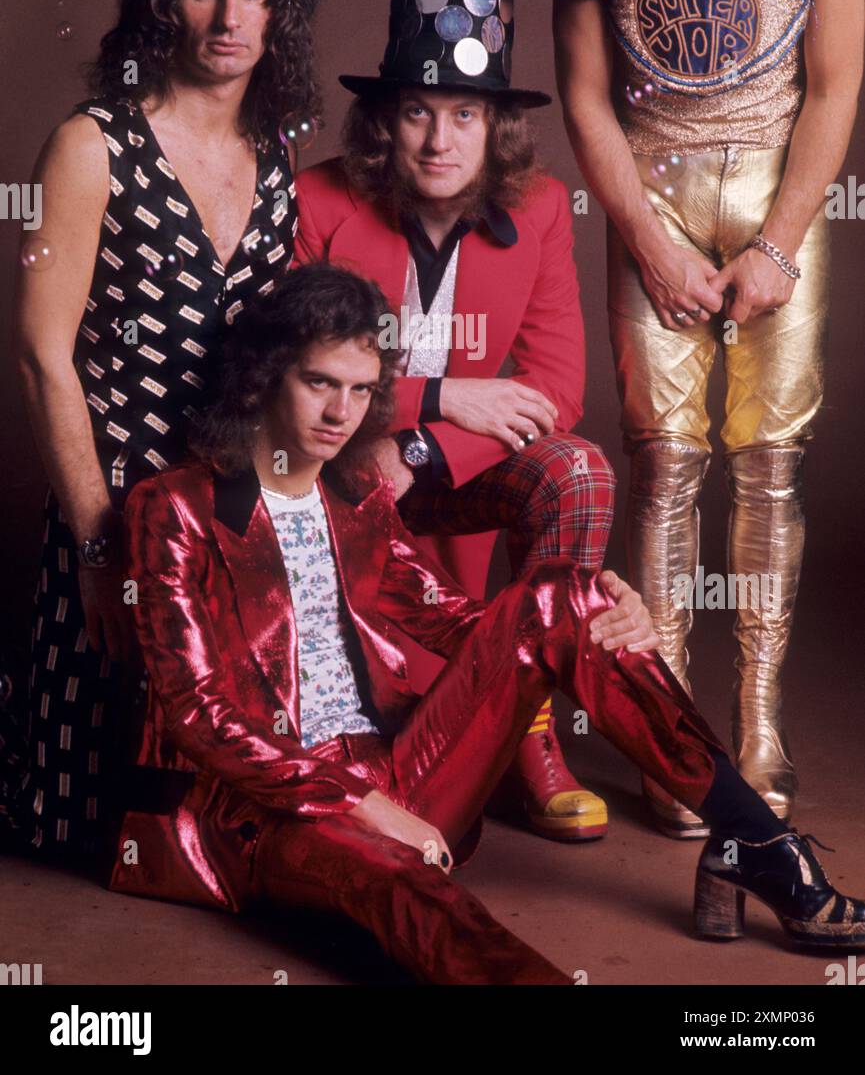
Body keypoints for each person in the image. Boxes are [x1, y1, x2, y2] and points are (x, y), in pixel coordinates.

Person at [109, 262, 865, 986]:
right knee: (399, 881)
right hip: (271, 811)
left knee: (566, 597)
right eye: (318, 384)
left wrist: (593, 614)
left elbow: (460, 622)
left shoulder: (356, 494)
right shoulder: (172, 507)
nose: (342, 412)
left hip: (396, 770)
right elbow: (197, 715)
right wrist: (360, 806)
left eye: (361, 390)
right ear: (264, 376)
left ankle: (757, 843)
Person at [473, 0, 865, 837]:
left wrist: (778, 246)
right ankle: (674, 730)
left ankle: (758, 720)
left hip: (774, 201)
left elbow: (835, 88)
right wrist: (645, 239)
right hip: (649, 195)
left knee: (772, 466)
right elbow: (587, 101)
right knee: (667, 461)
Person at [4, 0, 324, 863]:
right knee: (81, 819)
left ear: (280, 10)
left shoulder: (277, 161)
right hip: (112, 501)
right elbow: (42, 354)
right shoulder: (91, 144)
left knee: (220, 810)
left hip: (219, 507)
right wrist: (98, 545)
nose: (230, 18)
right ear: (161, 1)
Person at [294, 0, 616, 842]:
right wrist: (439, 397)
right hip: (338, 479)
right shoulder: (318, 199)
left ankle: (530, 731)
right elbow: (288, 372)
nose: (440, 140)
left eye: (465, 115)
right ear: (383, 120)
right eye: (417, 113)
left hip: (449, 478)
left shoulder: (544, 207)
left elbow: (556, 386)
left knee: (577, 467)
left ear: (496, 128)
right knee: (382, 732)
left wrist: (426, 447)